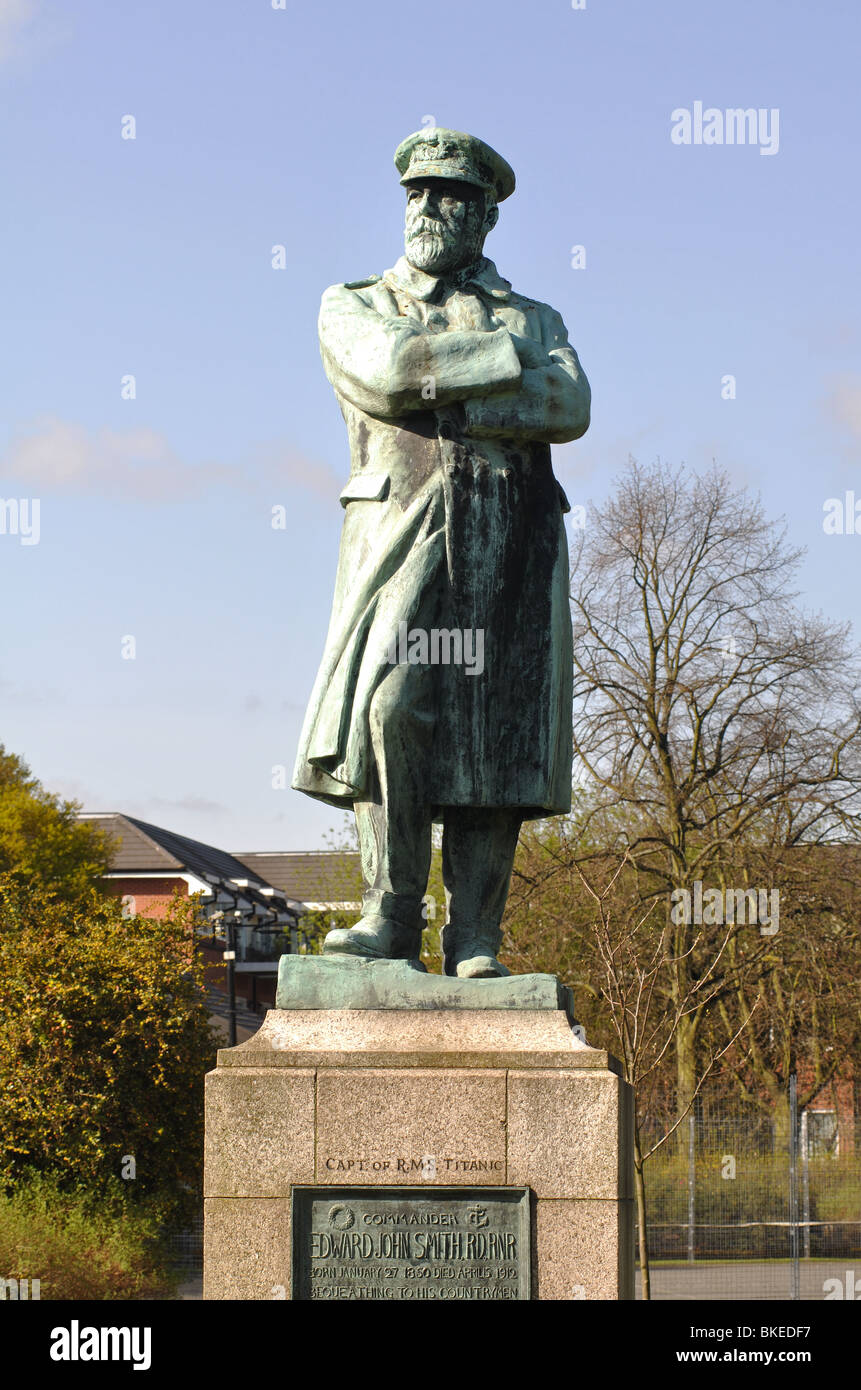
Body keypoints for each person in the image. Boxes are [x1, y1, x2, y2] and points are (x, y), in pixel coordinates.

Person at [292, 128, 590, 978]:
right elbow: (388, 373)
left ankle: (475, 939)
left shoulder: (539, 316)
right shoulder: (352, 303)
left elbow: (566, 406)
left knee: (492, 731)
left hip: (514, 536)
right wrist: (504, 365)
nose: (428, 208)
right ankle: (389, 916)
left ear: (486, 214)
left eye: (451, 195)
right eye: (417, 193)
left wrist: (450, 389)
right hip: (402, 534)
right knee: (390, 709)